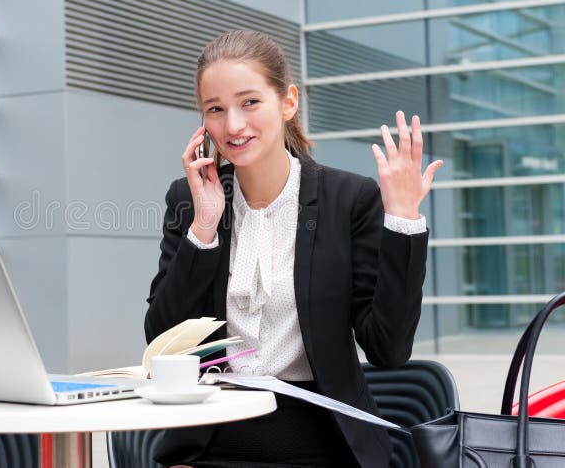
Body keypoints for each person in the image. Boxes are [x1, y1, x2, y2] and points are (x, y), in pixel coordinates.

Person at [144, 29, 443, 468]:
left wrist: (402, 222)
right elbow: (163, 343)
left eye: (250, 102)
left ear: (288, 102)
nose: (233, 125)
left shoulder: (349, 200)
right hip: (209, 443)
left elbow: (388, 349)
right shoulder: (190, 198)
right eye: (215, 109)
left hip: (321, 445)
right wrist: (204, 228)